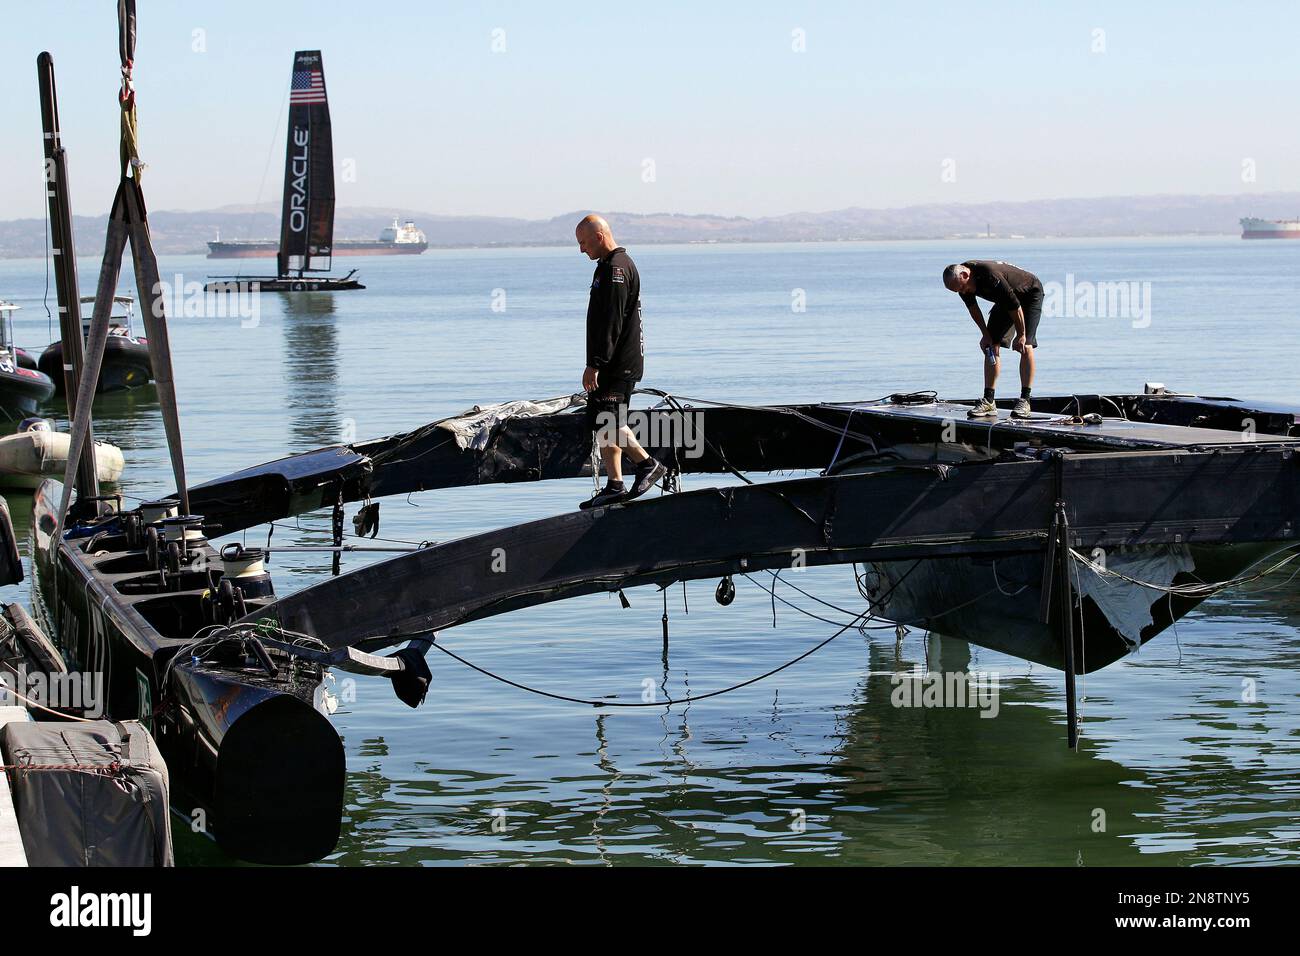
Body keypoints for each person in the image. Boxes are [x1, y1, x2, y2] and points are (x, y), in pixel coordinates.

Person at [576, 214, 665, 509]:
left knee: (610, 420)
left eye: (584, 243)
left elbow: (611, 322)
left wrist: (596, 363)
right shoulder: (606, 266)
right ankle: (615, 484)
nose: (581, 250)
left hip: (617, 362)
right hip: (610, 362)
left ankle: (648, 463)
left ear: (599, 237)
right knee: (603, 423)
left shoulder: (617, 268)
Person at [942, 260, 1043, 419]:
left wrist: (1021, 335)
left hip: (1029, 294)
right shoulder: (960, 284)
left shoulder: (990, 275)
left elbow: (1015, 306)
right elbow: (973, 309)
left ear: (965, 275)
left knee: (1025, 346)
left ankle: (1025, 400)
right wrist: (985, 335)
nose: (962, 291)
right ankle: (989, 400)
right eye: (957, 291)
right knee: (990, 346)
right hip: (1006, 299)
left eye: (961, 287)